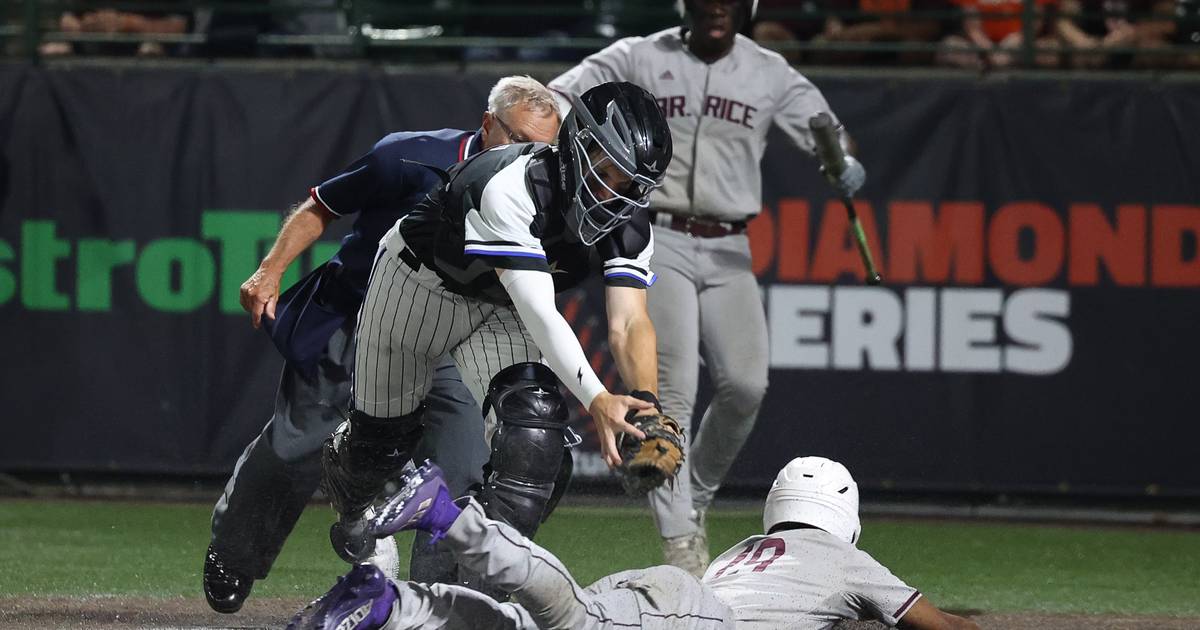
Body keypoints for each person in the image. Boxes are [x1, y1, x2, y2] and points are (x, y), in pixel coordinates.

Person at [201, 75, 562, 614]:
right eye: (519, 139)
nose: (530, 157)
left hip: (443, 335)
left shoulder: (541, 194)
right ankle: (236, 553)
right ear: (488, 125)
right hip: (351, 318)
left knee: (464, 464)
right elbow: (322, 206)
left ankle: (436, 603)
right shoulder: (410, 157)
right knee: (294, 449)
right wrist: (270, 270)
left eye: (543, 148)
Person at [548, 0, 866, 577]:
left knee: (746, 383)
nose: (717, 7)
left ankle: (691, 495)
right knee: (674, 389)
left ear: (748, 7)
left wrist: (842, 161)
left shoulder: (768, 70)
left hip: (729, 244)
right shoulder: (639, 55)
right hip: (658, 232)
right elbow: (558, 98)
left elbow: (830, 134)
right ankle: (680, 541)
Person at [319, 81, 674, 568]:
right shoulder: (511, 185)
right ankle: (353, 484)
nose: (616, 193)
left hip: (501, 306)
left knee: (537, 441)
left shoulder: (629, 224)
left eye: (631, 184)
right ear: (578, 145)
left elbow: (630, 321)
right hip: (421, 283)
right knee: (377, 445)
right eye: (607, 169)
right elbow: (540, 310)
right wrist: (596, 398)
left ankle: (459, 584)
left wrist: (647, 407)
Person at [288, 456, 980, 630]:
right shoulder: (844, 560)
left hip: (675, 605)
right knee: (568, 620)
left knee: (528, 628)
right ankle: (446, 514)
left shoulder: (748, 551)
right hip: (694, 619)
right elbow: (939, 627)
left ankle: (393, 604)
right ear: (844, 516)